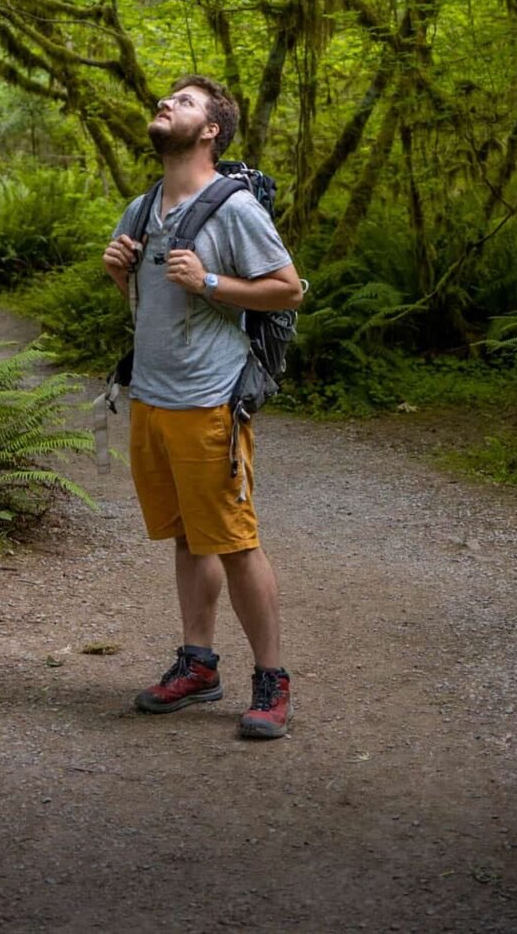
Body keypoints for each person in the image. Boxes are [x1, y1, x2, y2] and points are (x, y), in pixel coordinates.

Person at [102, 75, 303, 740]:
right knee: (189, 535)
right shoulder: (141, 207)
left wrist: (212, 281)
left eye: (184, 102)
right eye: (166, 99)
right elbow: (149, 303)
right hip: (152, 398)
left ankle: (272, 680)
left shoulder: (235, 209)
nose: (166, 104)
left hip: (210, 400)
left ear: (210, 130)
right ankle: (198, 664)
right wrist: (118, 272)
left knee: (236, 541)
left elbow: (288, 289)